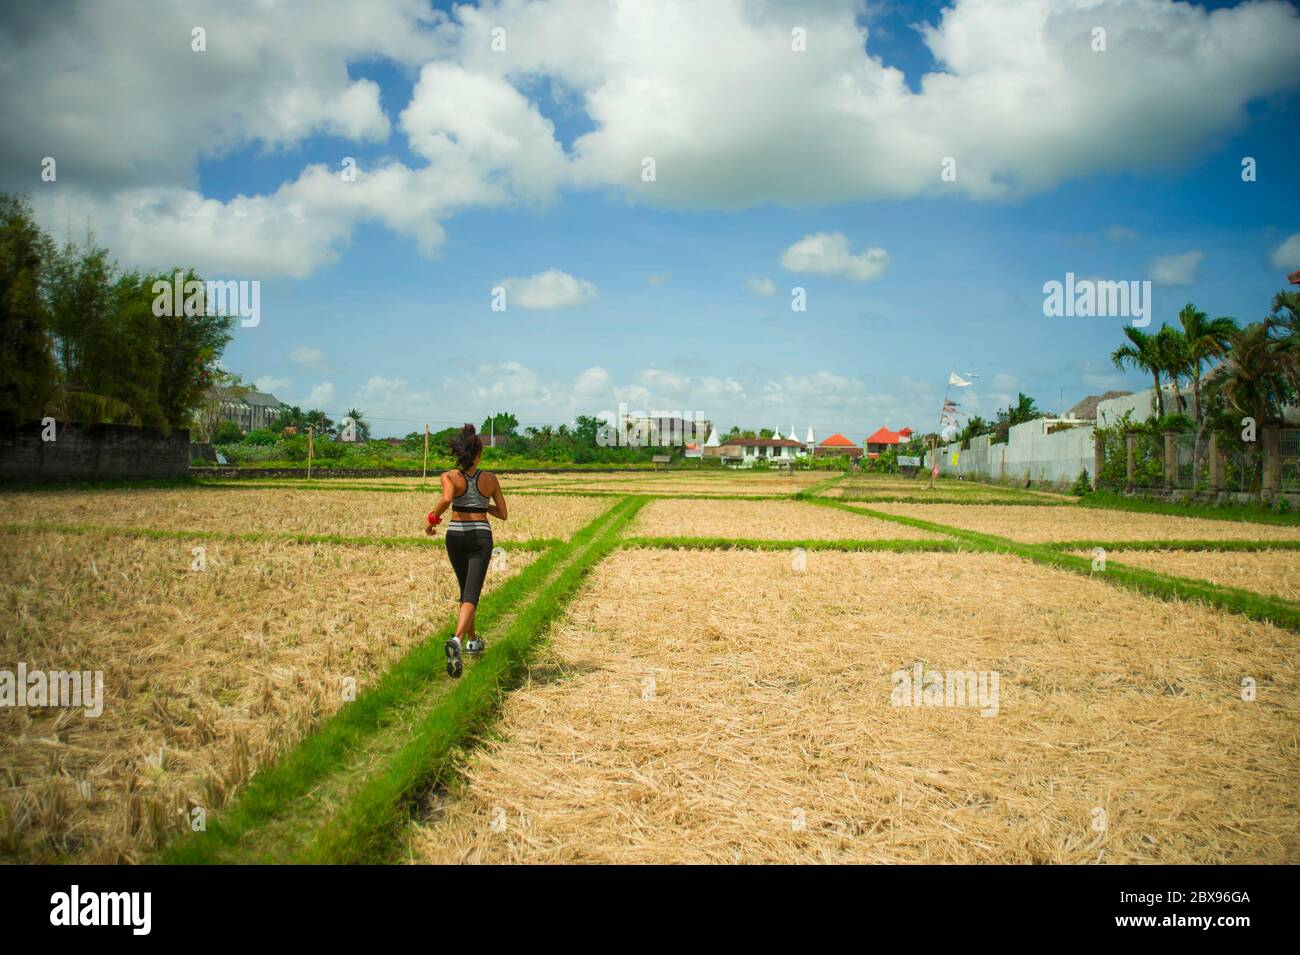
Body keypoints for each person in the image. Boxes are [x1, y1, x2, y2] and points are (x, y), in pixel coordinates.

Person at [424, 424, 508, 678]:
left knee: (465, 590)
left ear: (459, 454)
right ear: (479, 454)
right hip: (481, 537)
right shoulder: (490, 479)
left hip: (455, 536)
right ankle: (458, 640)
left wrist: (432, 520)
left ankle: (473, 641)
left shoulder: (449, 476)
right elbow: (503, 514)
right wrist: (483, 506)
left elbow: (448, 499)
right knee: (472, 593)